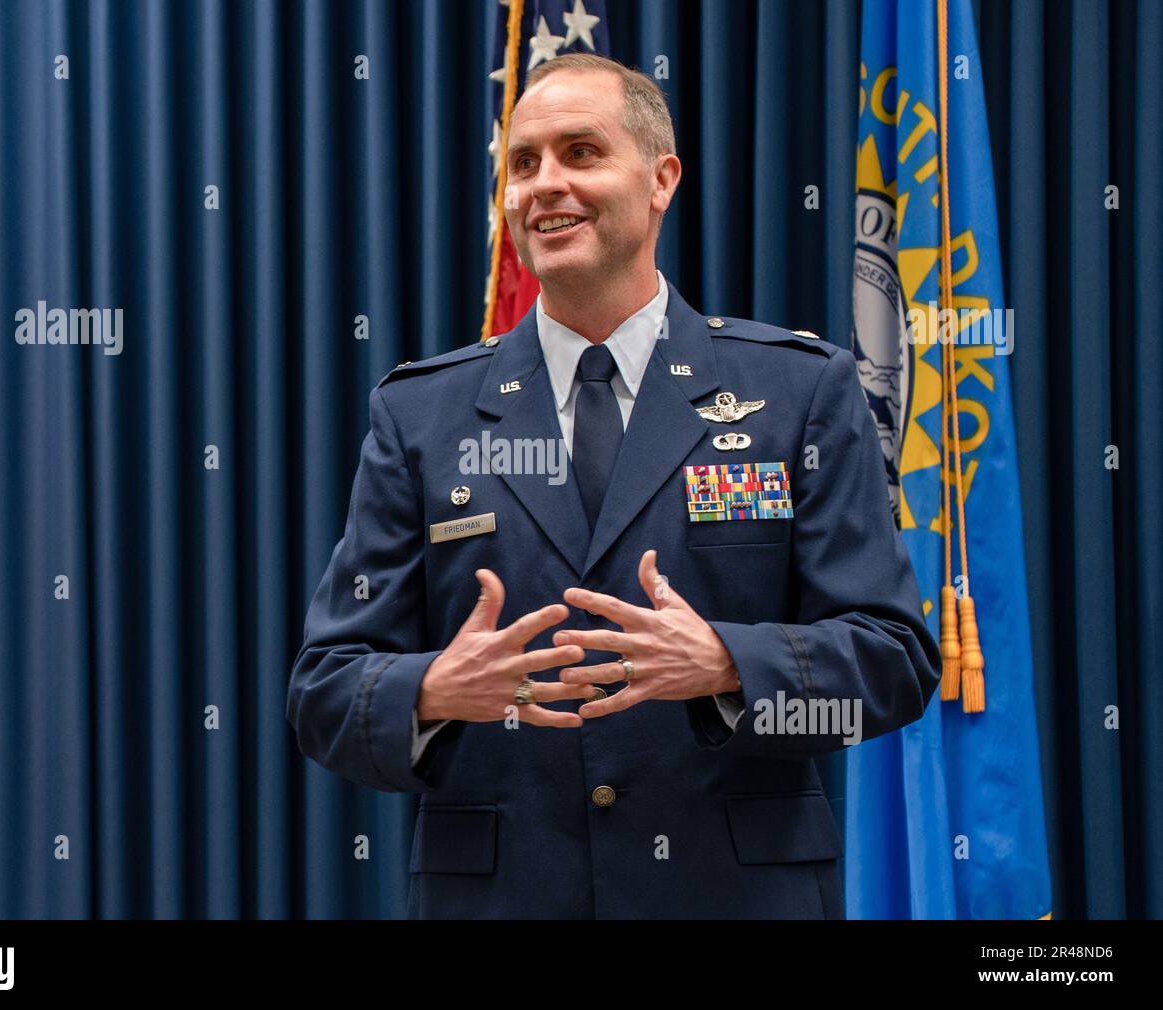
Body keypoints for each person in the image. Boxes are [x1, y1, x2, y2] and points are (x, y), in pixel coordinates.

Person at [287, 53, 940, 919]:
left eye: (580, 153)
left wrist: (726, 665)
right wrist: (436, 690)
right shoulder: (422, 414)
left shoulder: (798, 391)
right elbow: (324, 692)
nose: (543, 186)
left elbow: (893, 662)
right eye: (523, 164)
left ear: (661, 179)